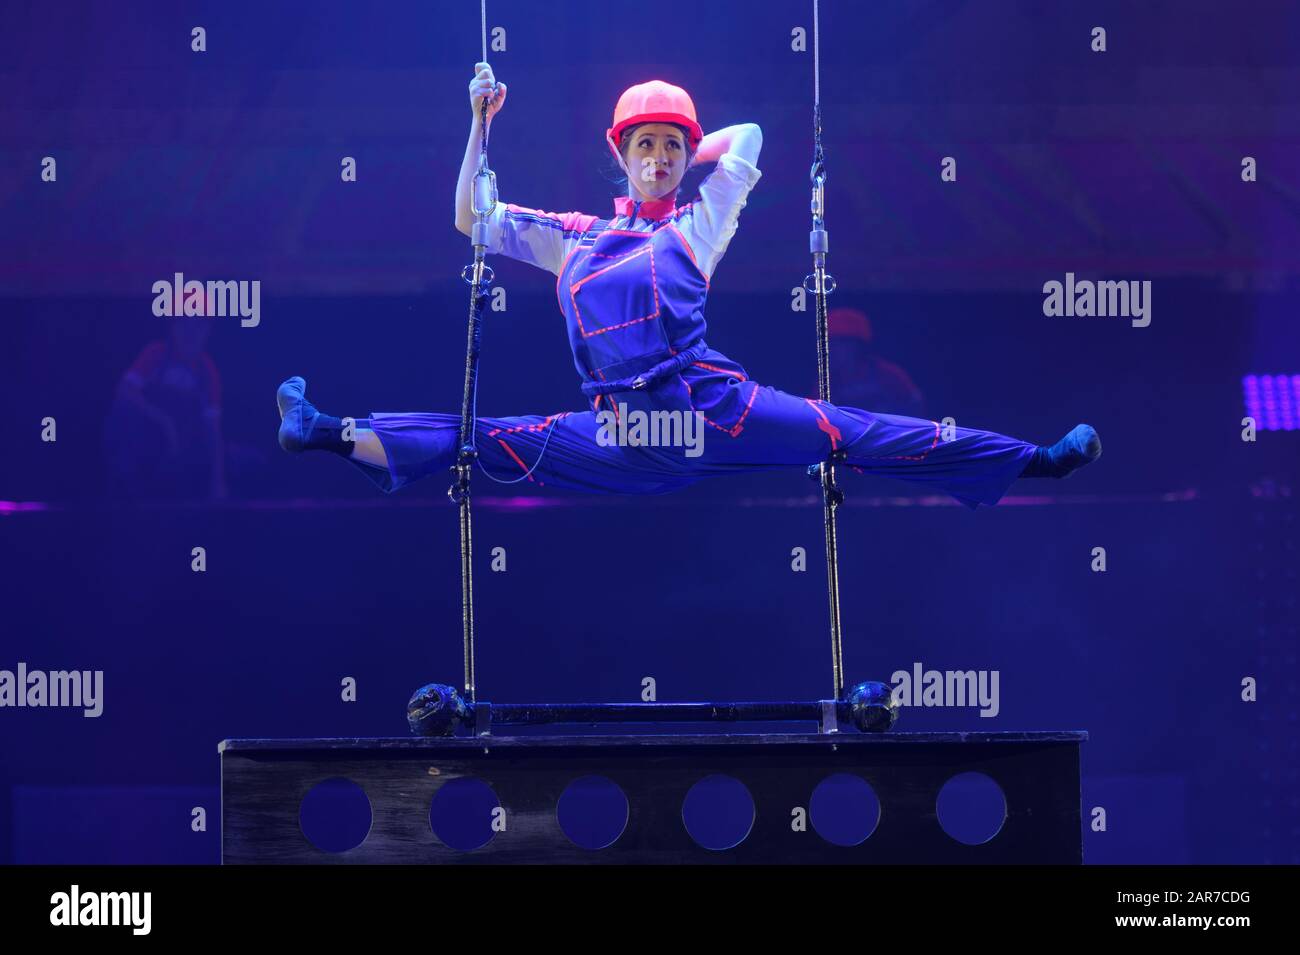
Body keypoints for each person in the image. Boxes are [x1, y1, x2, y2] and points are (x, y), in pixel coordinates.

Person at [273, 64, 1100, 509]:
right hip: (620, 436)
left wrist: (691, 147)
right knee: (479, 438)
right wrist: (479, 124)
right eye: (646, 147)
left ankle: (1034, 463)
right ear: (620, 155)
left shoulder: (698, 228)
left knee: (856, 429)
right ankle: (325, 432)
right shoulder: (575, 238)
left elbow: (750, 137)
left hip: (714, 413)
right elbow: (468, 217)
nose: (662, 157)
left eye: (672, 146)